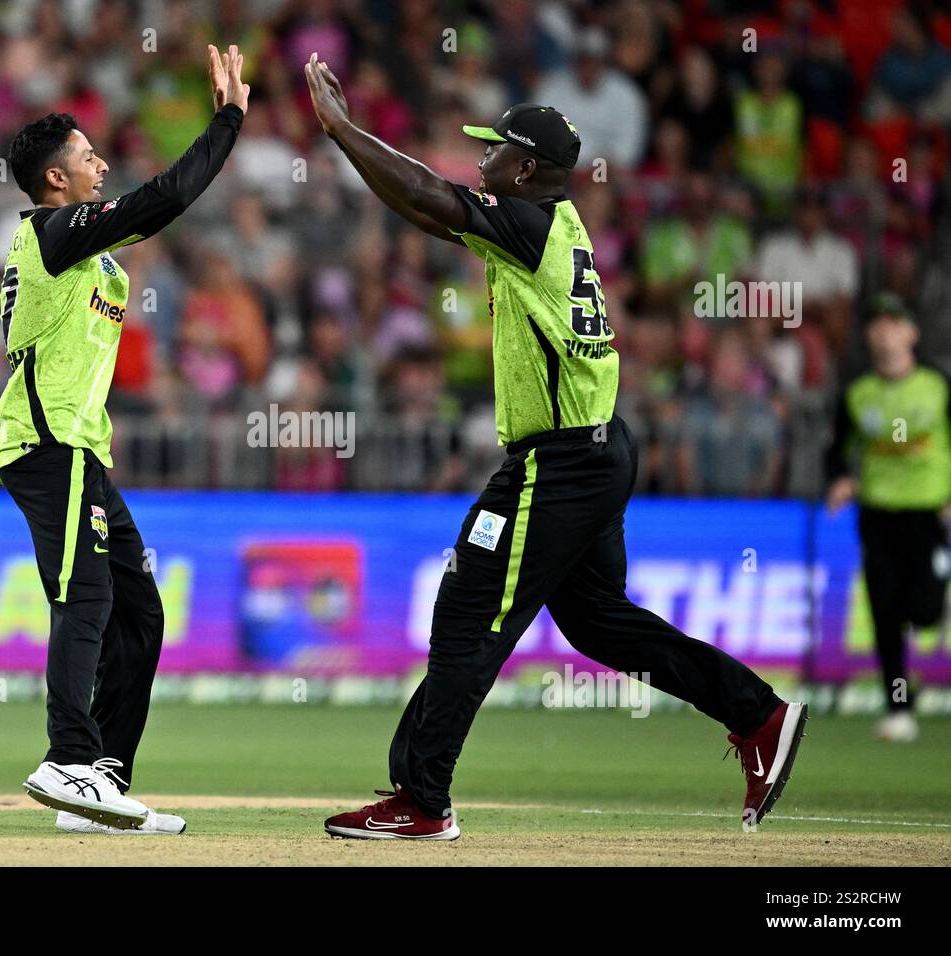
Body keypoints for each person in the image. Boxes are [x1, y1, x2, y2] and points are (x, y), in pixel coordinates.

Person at [304, 54, 806, 840]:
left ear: (525, 166)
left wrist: (341, 129)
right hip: (596, 451)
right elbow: (429, 210)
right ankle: (759, 714)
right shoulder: (551, 222)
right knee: (598, 623)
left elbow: (430, 194)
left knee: (470, 606)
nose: (481, 158)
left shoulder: (529, 224)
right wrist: (366, 151)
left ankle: (422, 799)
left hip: (560, 463)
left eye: (493, 148)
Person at [0, 44, 249, 834]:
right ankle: (67, 758)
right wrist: (228, 120)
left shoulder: (92, 259)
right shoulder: (52, 233)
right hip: (43, 442)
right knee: (87, 596)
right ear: (54, 181)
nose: (101, 163)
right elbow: (163, 199)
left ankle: (99, 782)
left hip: (81, 448)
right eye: (86, 156)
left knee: (140, 614)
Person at [826, 293, 951, 743]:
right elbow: (837, 450)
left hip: (927, 514)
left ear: (912, 333)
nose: (884, 331)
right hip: (877, 515)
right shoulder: (858, 394)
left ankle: (934, 606)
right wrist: (840, 480)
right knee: (884, 613)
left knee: (924, 609)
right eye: (876, 323)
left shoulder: (937, 387)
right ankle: (898, 706)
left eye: (894, 322)